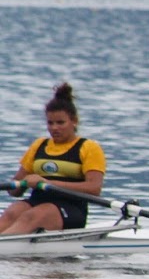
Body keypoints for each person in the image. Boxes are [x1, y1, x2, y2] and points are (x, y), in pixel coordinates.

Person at [0, 83, 106, 235]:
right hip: (36, 202)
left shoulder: (89, 148)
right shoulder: (38, 145)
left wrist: (49, 183)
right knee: (13, 211)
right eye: (50, 123)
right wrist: (22, 184)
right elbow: (14, 192)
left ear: (74, 121)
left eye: (60, 123)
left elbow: (94, 189)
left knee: (33, 215)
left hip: (70, 209)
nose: (54, 128)